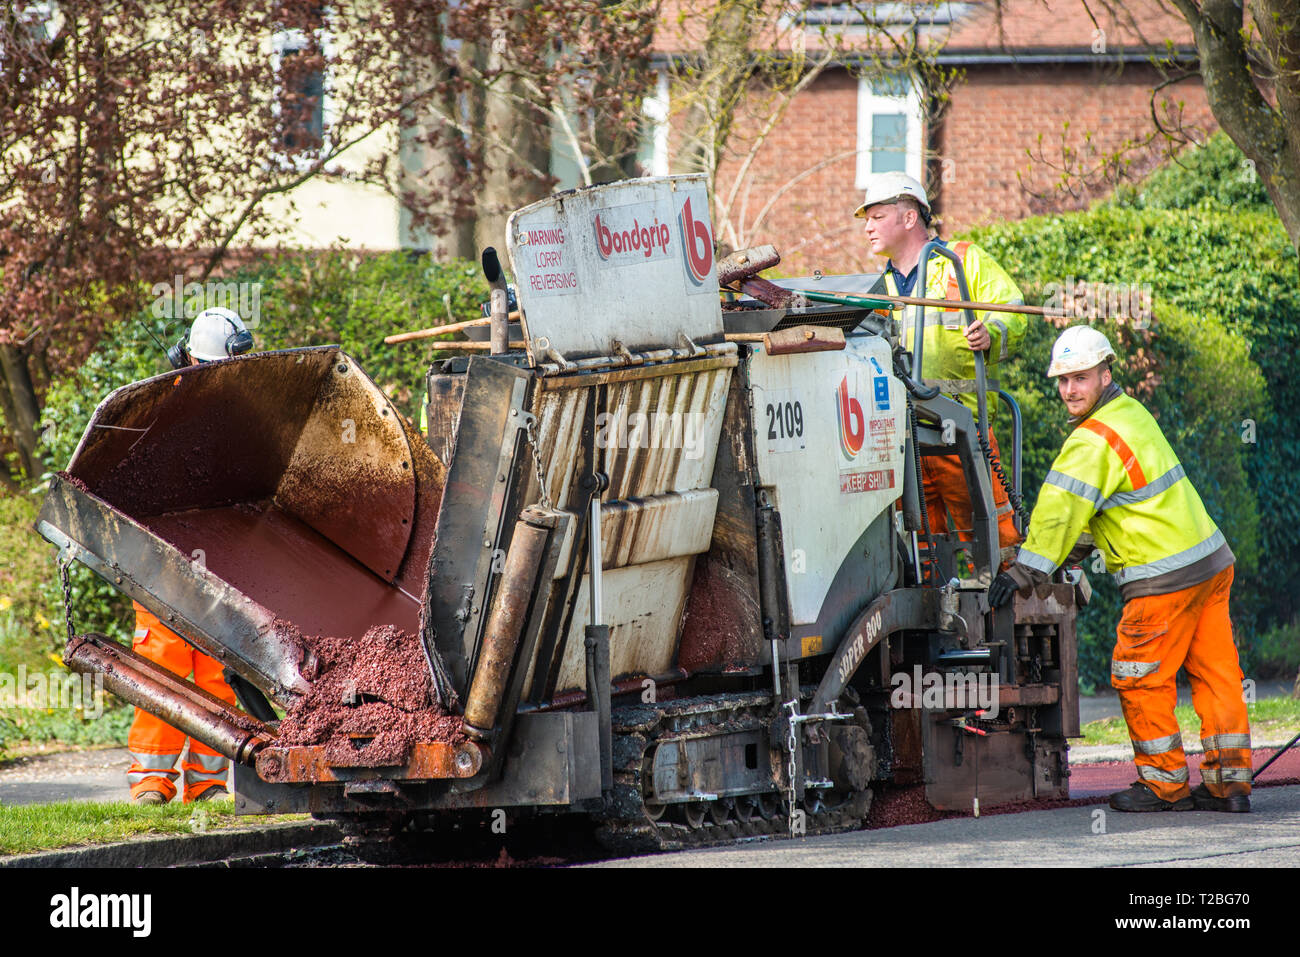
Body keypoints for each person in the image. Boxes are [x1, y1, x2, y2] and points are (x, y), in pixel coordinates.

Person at [989, 325, 1251, 813]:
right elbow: (1112, 505)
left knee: (1139, 676)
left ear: (1104, 374)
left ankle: (1162, 786)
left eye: (1080, 378)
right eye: (1063, 380)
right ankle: (1229, 786)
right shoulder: (1132, 413)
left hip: (1163, 581)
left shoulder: (1091, 441)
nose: (1070, 390)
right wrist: (1071, 554)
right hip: (1210, 566)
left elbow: (1060, 512)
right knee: (1217, 676)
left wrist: (1023, 573)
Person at [856, 171, 1025, 562]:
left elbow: (1012, 310)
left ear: (909, 217)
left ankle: (1006, 602)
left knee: (993, 544)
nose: (867, 227)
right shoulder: (880, 289)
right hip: (907, 438)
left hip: (961, 430)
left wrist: (993, 334)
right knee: (920, 553)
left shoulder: (963, 261)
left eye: (877, 216)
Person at [128, 307, 253, 805]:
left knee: (214, 679)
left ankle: (207, 785)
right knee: (162, 672)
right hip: (161, 564)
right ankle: (152, 784)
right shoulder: (156, 413)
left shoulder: (239, 419)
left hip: (213, 570)